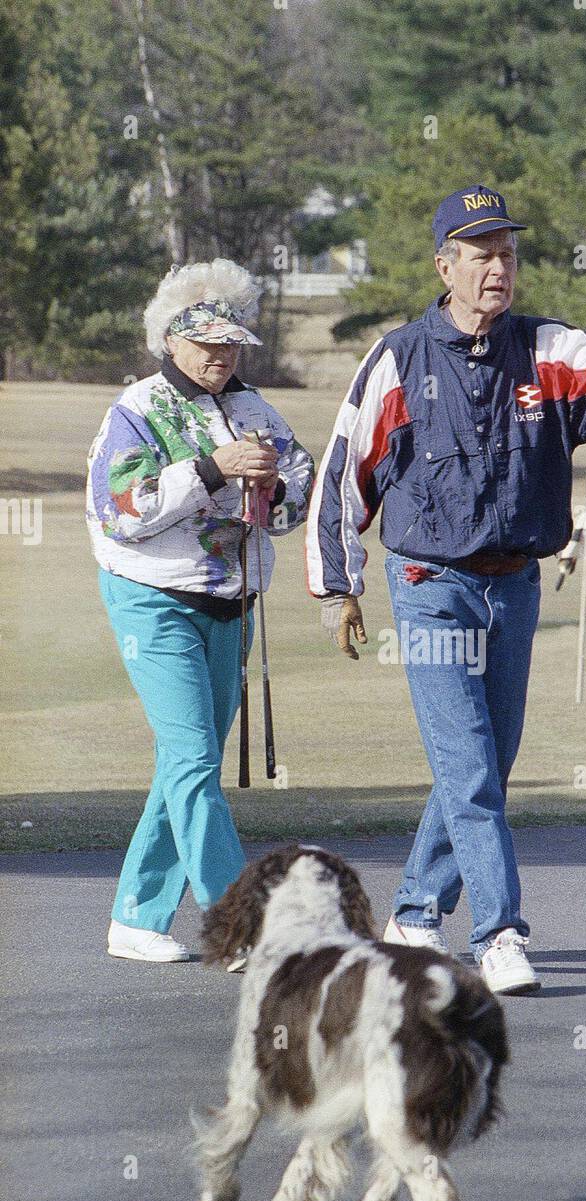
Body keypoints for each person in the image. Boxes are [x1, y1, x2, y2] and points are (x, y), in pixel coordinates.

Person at [306, 185, 586, 993]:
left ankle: (413, 912)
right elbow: (344, 474)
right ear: (445, 265)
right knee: (469, 766)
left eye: (506, 252)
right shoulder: (398, 355)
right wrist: (339, 587)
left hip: (515, 586)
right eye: (480, 254)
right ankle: (498, 933)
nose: (497, 267)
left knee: (487, 764)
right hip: (430, 586)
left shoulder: (547, 346)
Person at [86, 259, 314, 962]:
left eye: (230, 342)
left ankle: (135, 916)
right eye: (204, 342)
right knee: (191, 759)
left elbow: (297, 493)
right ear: (170, 340)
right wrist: (213, 468)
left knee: (189, 764)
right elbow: (123, 512)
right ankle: (240, 923)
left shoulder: (255, 408)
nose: (219, 355)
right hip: (153, 600)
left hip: (230, 602)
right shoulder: (137, 407)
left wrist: (273, 488)